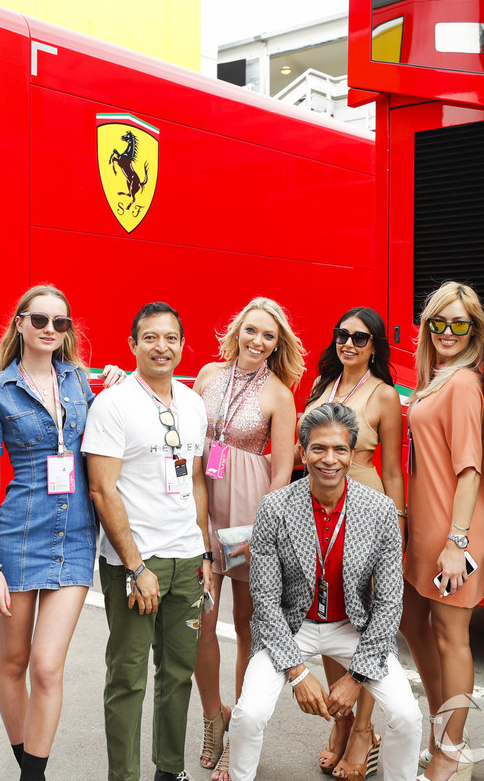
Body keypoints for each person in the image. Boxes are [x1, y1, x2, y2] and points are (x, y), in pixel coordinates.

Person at [226, 403, 421, 781]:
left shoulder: (380, 510)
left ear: (353, 454)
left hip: (352, 626)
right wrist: (299, 675)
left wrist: (356, 677)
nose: (329, 459)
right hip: (290, 626)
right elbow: (265, 601)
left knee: (408, 717)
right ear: (302, 451)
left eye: (339, 449)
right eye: (318, 448)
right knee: (248, 714)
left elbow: (388, 603)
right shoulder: (274, 507)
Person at [0, 285, 104, 781]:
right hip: (19, 534)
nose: (51, 329)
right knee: (14, 660)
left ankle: (33, 776)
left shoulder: (79, 382)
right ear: (20, 324)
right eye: (40, 320)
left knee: (47, 666)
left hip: (74, 537)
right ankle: (25, 762)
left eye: (60, 322)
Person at [83, 302, 214, 781]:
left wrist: (202, 551)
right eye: (151, 338)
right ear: (133, 344)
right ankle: (125, 776)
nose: (162, 347)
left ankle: (170, 770)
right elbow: (102, 488)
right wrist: (135, 566)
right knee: (128, 677)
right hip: (135, 563)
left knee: (178, 673)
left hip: (185, 559)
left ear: (183, 344)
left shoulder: (193, 403)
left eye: (171, 338)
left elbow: (197, 479)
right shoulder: (113, 404)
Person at [191, 297, 303, 781]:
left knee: (246, 623)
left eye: (269, 336)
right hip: (204, 507)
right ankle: (213, 715)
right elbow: (194, 450)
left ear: (278, 345)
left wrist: (263, 531)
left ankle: (240, 728)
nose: (258, 342)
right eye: (252, 331)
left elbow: (282, 473)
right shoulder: (207, 375)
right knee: (199, 614)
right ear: (237, 330)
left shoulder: (280, 393)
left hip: (250, 517)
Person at [401, 281, 484, 781]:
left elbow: (471, 470)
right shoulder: (438, 378)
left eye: (459, 323)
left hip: (454, 530)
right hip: (428, 523)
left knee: (451, 636)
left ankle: (451, 752)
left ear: (475, 329)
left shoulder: (463, 383)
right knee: (412, 624)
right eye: (438, 321)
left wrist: (456, 544)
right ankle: (444, 731)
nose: (446, 331)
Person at [301, 307, 405, 779]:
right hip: (318, 507)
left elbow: (393, 472)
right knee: (330, 614)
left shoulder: (385, 395)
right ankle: (341, 724)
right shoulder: (323, 387)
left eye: (360, 338)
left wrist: (396, 530)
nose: (349, 343)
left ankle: (363, 731)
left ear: (375, 345)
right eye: (342, 335)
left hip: (365, 508)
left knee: (363, 625)